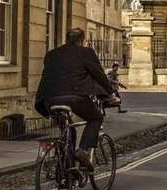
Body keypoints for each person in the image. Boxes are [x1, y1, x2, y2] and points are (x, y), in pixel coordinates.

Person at [35, 28, 116, 171]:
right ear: (82, 41)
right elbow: (98, 74)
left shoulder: (51, 54)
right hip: (75, 97)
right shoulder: (86, 52)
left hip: (48, 100)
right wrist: (110, 94)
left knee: (68, 131)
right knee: (96, 118)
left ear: (66, 39)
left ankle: (66, 169)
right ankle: (83, 151)